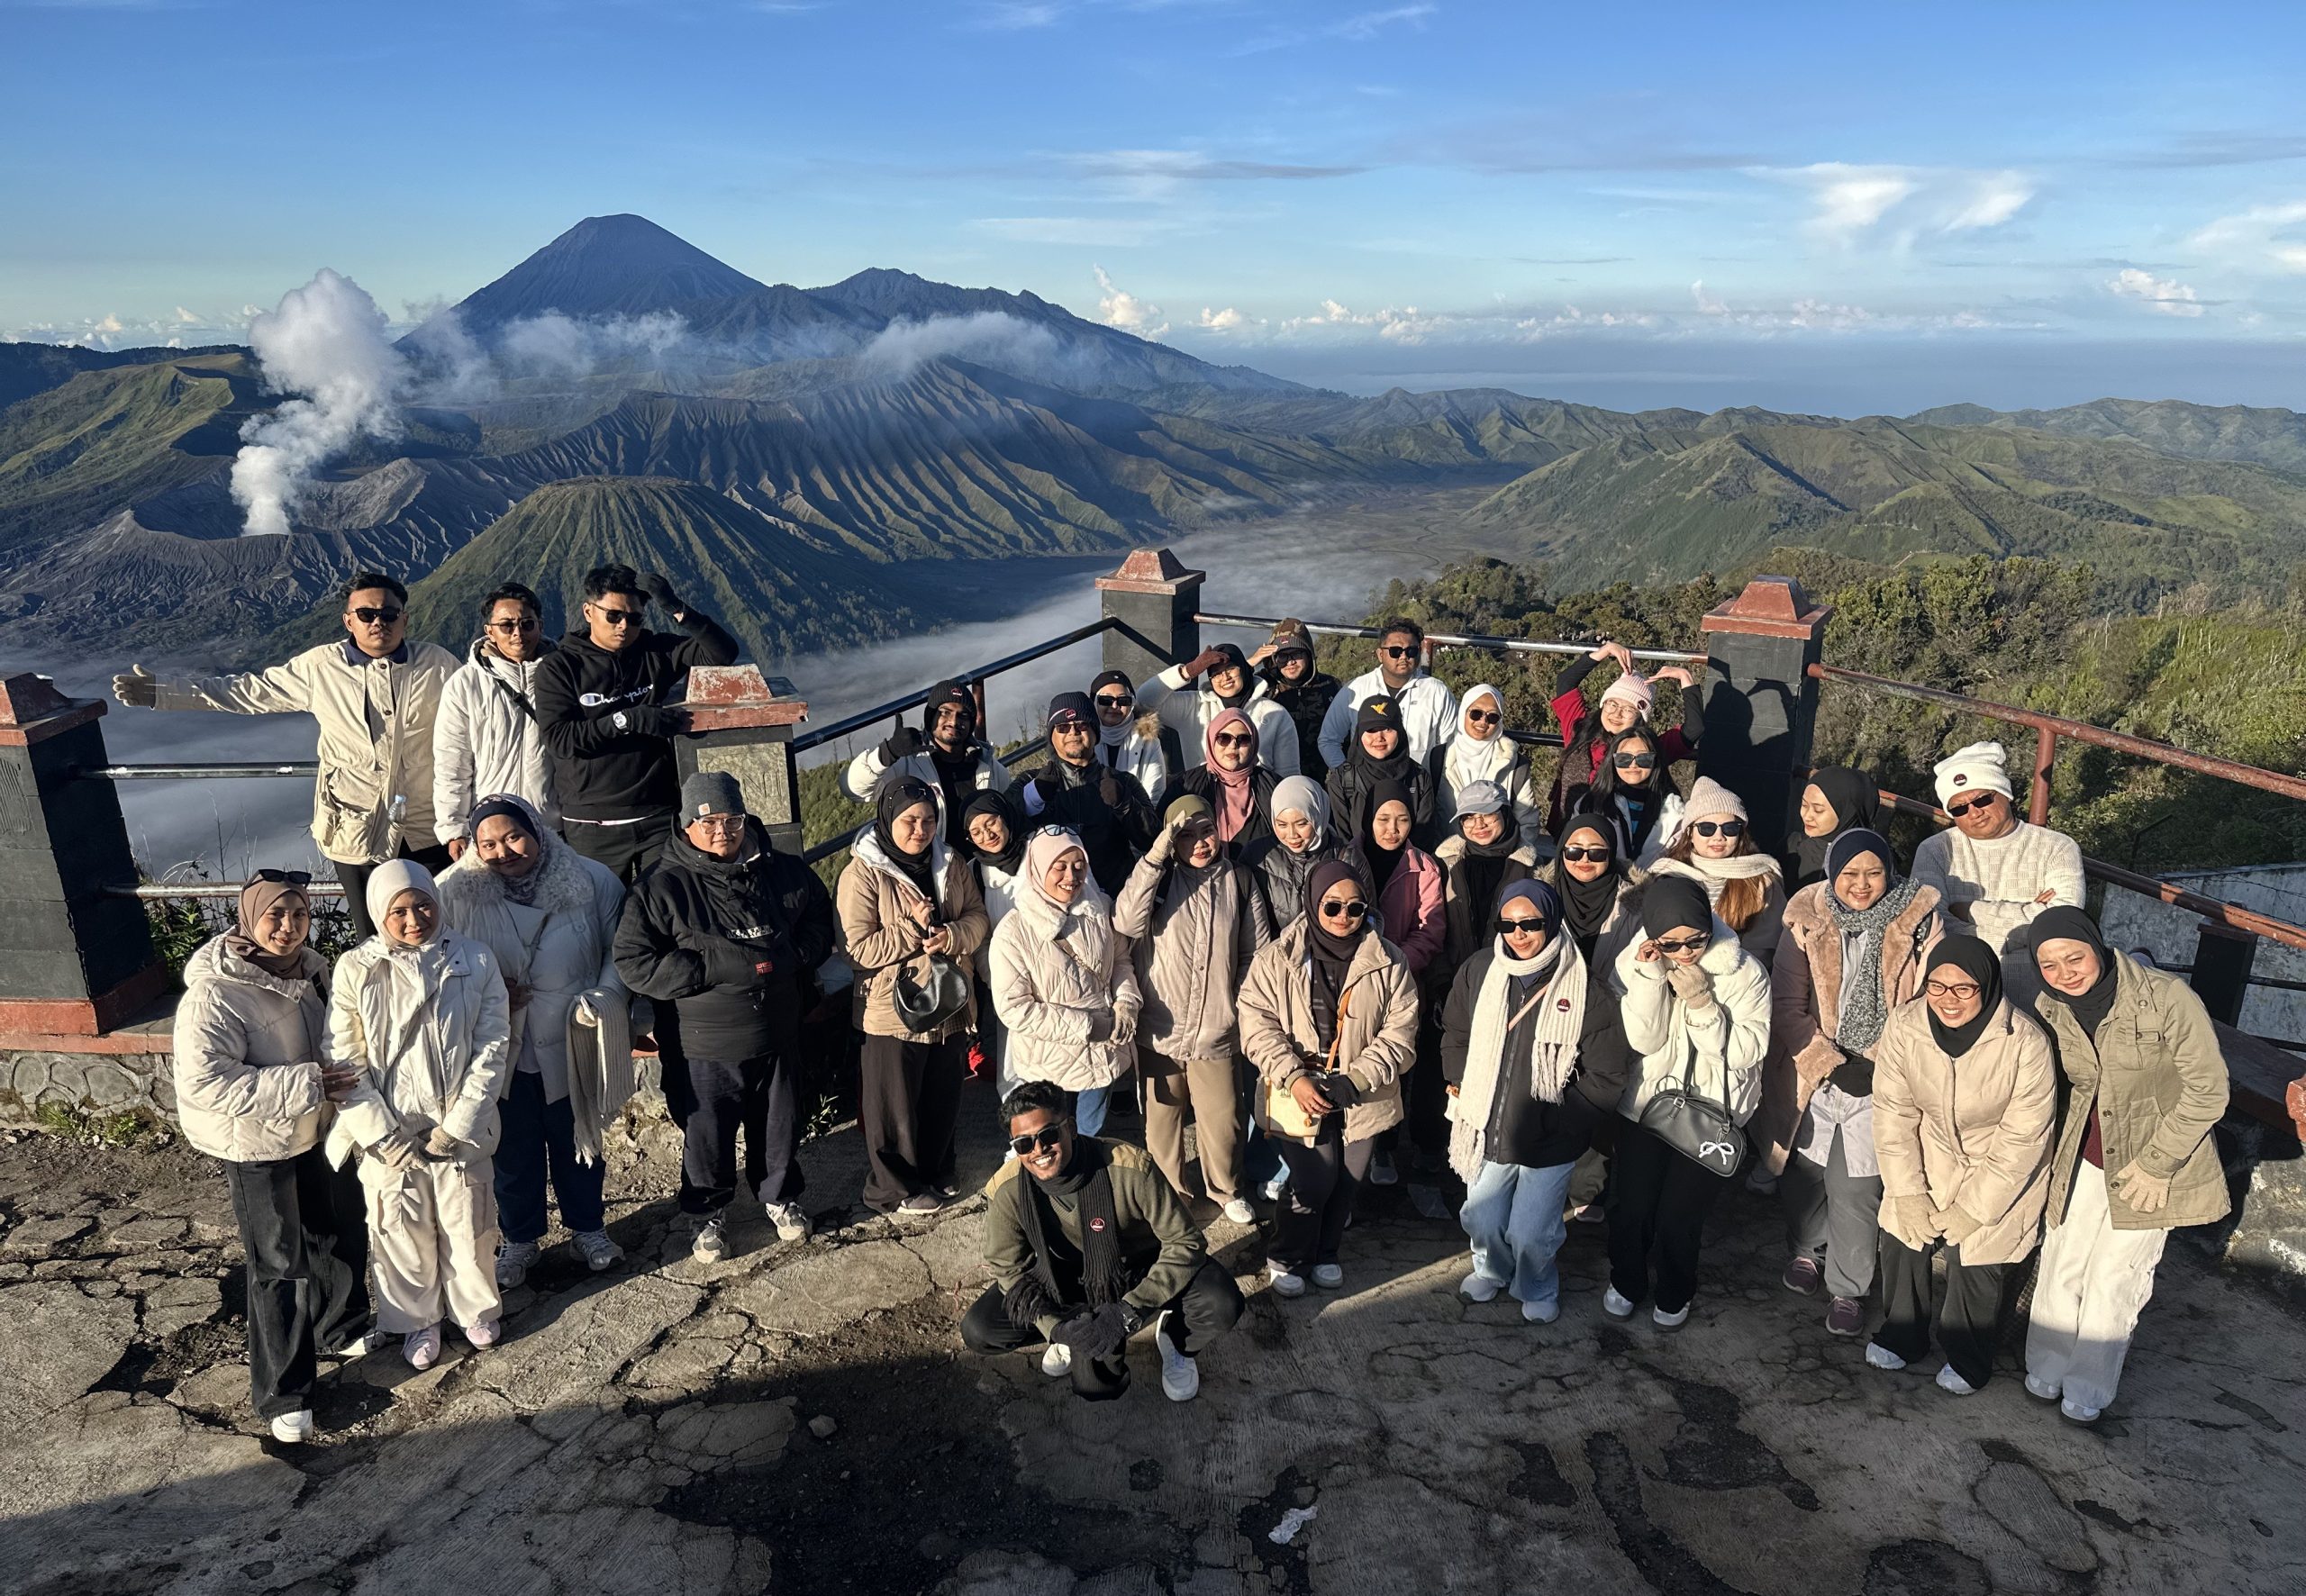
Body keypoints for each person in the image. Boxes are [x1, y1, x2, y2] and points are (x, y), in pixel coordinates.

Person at [110, 571, 457, 945]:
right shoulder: (321, 667)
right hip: (357, 827)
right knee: (372, 939)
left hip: (427, 826)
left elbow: (481, 706)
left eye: (389, 614)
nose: (379, 622)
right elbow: (248, 692)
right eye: (367, 614)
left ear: (405, 618)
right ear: (348, 620)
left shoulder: (438, 664)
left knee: (443, 927)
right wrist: (164, 692)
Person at [173, 873, 374, 1443]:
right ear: (248, 919)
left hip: (315, 1129)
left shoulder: (312, 971)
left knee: (337, 1228)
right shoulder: (214, 993)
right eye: (276, 916)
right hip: (254, 1143)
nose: (289, 927)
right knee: (279, 1261)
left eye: (301, 914)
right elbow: (206, 1084)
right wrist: (308, 1083)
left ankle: (342, 1325)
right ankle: (284, 1392)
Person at [614, 773, 837, 1260]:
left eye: (731, 819)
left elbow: (820, 917)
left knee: (779, 1124)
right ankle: (705, 1216)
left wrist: (796, 956)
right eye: (708, 820)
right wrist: (710, 967)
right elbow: (633, 961)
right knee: (706, 1136)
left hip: (777, 1031)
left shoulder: (780, 870)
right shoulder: (660, 885)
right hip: (702, 1043)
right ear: (686, 824)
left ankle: (779, 1197)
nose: (722, 831)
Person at [2025, 906, 2230, 1424]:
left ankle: (2088, 1387)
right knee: (2063, 1259)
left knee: (2116, 1274)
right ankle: (2046, 1366)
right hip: (2084, 1152)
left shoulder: (2166, 999)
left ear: (2098, 946)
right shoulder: (2051, 1004)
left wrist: (2157, 1164)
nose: (2065, 972)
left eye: (2075, 957)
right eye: (2049, 965)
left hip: (2151, 1160)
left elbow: (2209, 1090)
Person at [436, 795, 631, 1287]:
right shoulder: (454, 891)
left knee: (579, 1139)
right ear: (474, 848)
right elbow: (427, 955)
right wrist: (481, 989)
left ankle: (589, 1228)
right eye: (488, 843)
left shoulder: (590, 879)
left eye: (513, 836)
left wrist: (605, 996)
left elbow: (620, 949)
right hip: (500, 1045)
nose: (503, 851)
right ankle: (520, 1239)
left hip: (572, 1032)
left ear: (538, 831)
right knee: (512, 1149)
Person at [1757, 830, 1943, 1338]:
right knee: (1807, 1172)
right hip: (1814, 1069)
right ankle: (1805, 1249)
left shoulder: (1921, 922)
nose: (1861, 885)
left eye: (1874, 872)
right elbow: (1786, 1003)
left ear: (1891, 871)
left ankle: (1848, 1286)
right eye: (1849, 874)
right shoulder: (1806, 919)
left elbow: (1930, 1001)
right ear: (1831, 873)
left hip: (1884, 1075)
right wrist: (1826, 1059)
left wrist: (1881, 1063)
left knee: (1858, 1184)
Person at [328, 861, 512, 1371]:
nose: (414, 919)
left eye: (423, 905)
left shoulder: (474, 958)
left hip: (459, 1127)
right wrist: (380, 1134)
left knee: (469, 1219)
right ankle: (416, 1320)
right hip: (391, 1128)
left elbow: (493, 1043)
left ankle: (473, 1308)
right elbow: (343, 1056)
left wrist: (459, 1125)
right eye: (399, 910)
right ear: (377, 913)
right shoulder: (356, 968)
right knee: (398, 1226)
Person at [961, 1082, 1245, 1403]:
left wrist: (1128, 1311)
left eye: (1049, 1135)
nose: (1038, 1150)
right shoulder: (1007, 1188)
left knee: (1221, 1302)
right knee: (980, 1329)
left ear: (1070, 1127)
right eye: (1024, 1144)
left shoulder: (1130, 1168)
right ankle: (1072, 1332)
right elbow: (1007, 1267)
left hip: (1134, 1267)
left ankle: (1176, 1340)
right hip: (1059, 1278)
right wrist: (1055, 1327)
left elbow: (1186, 1242)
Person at [1868, 935, 2056, 1395]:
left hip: (1998, 1165)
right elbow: (1893, 1112)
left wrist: (1973, 1207)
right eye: (1936, 986)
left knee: (1978, 1252)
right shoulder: (1906, 1024)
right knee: (1901, 1231)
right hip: (1930, 1150)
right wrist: (1908, 1190)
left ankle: (1968, 1354)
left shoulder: (2024, 1042)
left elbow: (2023, 1138)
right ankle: (1902, 1333)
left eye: (1963, 989)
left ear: (1987, 987)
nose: (1947, 1000)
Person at [1441, 880, 1629, 1323]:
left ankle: (1537, 1283)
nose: (1519, 933)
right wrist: (1458, 1080)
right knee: (1482, 1217)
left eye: (1531, 923)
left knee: (1531, 1231)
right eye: (1508, 923)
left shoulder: (1583, 986)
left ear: (1552, 921)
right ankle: (1490, 1269)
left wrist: (1567, 1123)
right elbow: (1455, 1032)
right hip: (1487, 1123)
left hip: (1550, 1137)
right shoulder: (1480, 970)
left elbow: (1607, 1073)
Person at [1237, 859, 1421, 1296]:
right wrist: (1293, 1075)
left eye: (1355, 909)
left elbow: (1401, 1032)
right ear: (1312, 903)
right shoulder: (1277, 957)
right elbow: (1256, 1022)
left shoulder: (1390, 960)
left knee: (1348, 1180)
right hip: (1298, 1089)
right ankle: (1286, 1253)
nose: (1344, 917)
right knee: (1314, 1178)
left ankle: (1327, 1251)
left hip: (1363, 1092)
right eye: (1332, 907)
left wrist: (1356, 1079)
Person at [1603, 875, 1771, 1328]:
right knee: (1633, 1205)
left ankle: (1676, 1290)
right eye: (1671, 944)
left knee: (1681, 1216)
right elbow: (1644, 1039)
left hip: (1712, 1109)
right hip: (1647, 1103)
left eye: (1695, 940)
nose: (1684, 953)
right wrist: (1647, 978)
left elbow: (1745, 1053)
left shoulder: (1743, 971)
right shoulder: (1638, 960)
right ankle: (1626, 1279)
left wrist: (1700, 1002)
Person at [838, 778, 992, 1215]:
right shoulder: (862, 874)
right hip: (892, 1009)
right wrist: (909, 928)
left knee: (943, 1092)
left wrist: (953, 935)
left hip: (949, 999)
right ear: (888, 819)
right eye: (909, 820)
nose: (919, 830)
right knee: (894, 1104)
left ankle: (937, 1168)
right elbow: (857, 949)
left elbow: (977, 915)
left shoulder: (952, 862)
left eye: (928, 820)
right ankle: (892, 1188)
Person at [534, 563, 740, 883]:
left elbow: (723, 652)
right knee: (602, 921)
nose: (623, 626)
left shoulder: (654, 652)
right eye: (613, 615)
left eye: (634, 618)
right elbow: (560, 739)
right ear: (588, 612)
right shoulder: (559, 667)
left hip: (658, 815)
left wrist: (675, 607)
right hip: (593, 825)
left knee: (667, 913)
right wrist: (627, 720)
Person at [1116, 798, 1265, 1224]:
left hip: (1216, 1026)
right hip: (1160, 1025)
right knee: (1163, 1120)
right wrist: (1155, 856)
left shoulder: (1238, 879)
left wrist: (1236, 1008)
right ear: (1170, 839)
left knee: (1224, 1119)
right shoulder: (1157, 880)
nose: (1199, 842)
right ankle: (1170, 1192)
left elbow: (1255, 951)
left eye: (1206, 831)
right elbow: (1125, 923)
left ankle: (1225, 1189)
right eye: (1185, 834)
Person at [989, 827, 1139, 1139]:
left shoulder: (1100, 908)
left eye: (1078, 866)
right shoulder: (1013, 932)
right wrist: (1085, 1026)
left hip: (1101, 1053)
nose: (1071, 876)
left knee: (1090, 1135)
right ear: (1038, 867)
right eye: (1059, 867)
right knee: (1051, 1141)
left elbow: (1121, 962)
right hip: (1047, 1062)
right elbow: (1014, 1009)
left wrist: (1126, 1001)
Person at [1910, 740, 2084, 998]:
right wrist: (2029, 914)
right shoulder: (1935, 850)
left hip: (2039, 994)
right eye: (1959, 808)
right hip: (1960, 994)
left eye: (1982, 799)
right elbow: (1932, 926)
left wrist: (1967, 909)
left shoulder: (2057, 847)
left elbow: (2061, 923)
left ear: (2005, 793)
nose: (1973, 812)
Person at [1539, 810, 1647, 1223]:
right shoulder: (1541, 894)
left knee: (1597, 1101)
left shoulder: (1636, 904)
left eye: (1596, 852)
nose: (1584, 860)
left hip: (1609, 1020)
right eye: (1574, 851)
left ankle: (1586, 1189)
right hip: (1551, 1016)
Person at [433, 583, 559, 861]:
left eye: (527, 624)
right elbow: (452, 762)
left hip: (554, 829)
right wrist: (454, 828)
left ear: (540, 625)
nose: (518, 633)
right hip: (491, 832)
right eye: (506, 625)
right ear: (489, 630)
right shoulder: (466, 684)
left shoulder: (564, 675)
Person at [1362, 782, 1445, 1191]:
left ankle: (1386, 1146)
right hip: (1353, 985)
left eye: (1402, 820)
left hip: (1400, 985)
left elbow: (1430, 932)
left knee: (1394, 1067)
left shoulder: (1424, 867)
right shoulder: (1348, 857)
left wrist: (1393, 965)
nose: (1392, 828)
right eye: (1383, 819)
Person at [1547, 639, 1702, 829]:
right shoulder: (1579, 728)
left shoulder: (1646, 749)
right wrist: (1604, 651)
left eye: (1629, 709)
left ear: (1640, 718)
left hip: (1617, 839)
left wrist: (1684, 677)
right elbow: (1565, 682)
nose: (1617, 713)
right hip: (1567, 830)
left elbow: (1694, 729)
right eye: (1612, 704)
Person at [1017, 693, 1158, 895]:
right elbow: (1005, 829)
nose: (1073, 732)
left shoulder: (1124, 781)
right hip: (1054, 901)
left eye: (1082, 725)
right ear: (1051, 736)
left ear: (1095, 732)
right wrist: (1033, 798)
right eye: (1063, 727)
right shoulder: (1028, 782)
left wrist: (1125, 804)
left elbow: (1151, 840)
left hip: (1114, 899)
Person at [841, 678, 1012, 845]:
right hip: (931, 868)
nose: (954, 721)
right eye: (945, 712)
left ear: (971, 723)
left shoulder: (987, 766)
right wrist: (887, 753)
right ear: (931, 717)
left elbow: (1010, 811)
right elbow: (854, 790)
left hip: (978, 866)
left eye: (963, 715)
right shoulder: (908, 764)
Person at [1649, 776, 1788, 957]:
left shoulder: (1761, 880)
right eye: (1707, 828)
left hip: (1738, 976)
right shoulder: (1666, 874)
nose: (1719, 836)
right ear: (1690, 832)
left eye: (1730, 828)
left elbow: (1765, 947)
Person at [1432, 782, 1542, 996]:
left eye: (1488, 813)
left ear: (1505, 814)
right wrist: (1440, 981)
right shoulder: (1445, 863)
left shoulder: (1532, 867)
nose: (1479, 824)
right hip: (1455, 983)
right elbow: (1433, 925)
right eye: (1469, 817)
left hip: (1510, 984)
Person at [1137, 642, 1302, 777]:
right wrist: (1189, 670)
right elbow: (1144, 700)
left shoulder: (1275, 714)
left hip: (1257, 802)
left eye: (1230, 669)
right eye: (1216, 673)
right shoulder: (1193, 706)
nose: (1225, 678)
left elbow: (1289, 775)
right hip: (1204, 801)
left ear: (1243, 669)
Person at [1317, 616, 1458, 771]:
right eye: (1395, 651)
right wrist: (1347, 778)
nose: (1404, 656)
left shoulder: (1436, 692)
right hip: (1366, 792)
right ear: (1380, 654)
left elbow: (1451, 746)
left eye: (1411, 651)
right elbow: (1328, 740)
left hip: (1418, 790)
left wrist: (1433, 788)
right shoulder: (1356, 689)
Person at [961, 788, 1030, 1097]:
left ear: (1006, 817)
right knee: (1014, 1062)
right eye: (975, 831)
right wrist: (997, 977)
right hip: (1008, 980)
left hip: (1055, 974)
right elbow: (978, 936)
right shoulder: (974, 873)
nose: (986, 834)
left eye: (990, 823)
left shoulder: (1038, 852)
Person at [1244, 775, 1363, 942]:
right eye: (1282, 825)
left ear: (1318, 815)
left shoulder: (1347, 857)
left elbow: (1364, 918)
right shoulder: (1257, 855)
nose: (1292, 835)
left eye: (1301, 824)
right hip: (1274, 961)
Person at [1429, 684, 1544, 852]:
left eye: (1492, 717)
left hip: (1500, 859)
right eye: (1475, 713)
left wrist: (1516, 860)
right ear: (1463, 713)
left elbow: (1527, 819)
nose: (1483, 722)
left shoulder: (1515, 763)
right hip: (1448, 856)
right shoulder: (1439, 757)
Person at [1325, 695, 1438, 846]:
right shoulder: (1342, 780)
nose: (1379, 737)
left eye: (1387, 728)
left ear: (1400, 731)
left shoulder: (1418, 778)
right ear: (1359, 734)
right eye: (1371, 730)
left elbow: (1425, 835)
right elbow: (1341, 836)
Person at [1160, 709, 1279, 848]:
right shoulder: (1184, 785)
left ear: (1254, 744)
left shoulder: (1274, 786)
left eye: (1243, 739)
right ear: (1211, 741)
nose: (1233, 746)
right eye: (1224, 738)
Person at [1568, 728, 1680, 863]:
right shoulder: (1590, 804)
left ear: (1656, 760)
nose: (1633, 765)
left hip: (1656, 883)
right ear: (1612, 760)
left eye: (1643, 758)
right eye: (1623, 758)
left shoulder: (1675, 810)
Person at [1251, 618, 1341, 782]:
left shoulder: (1330, 686)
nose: (1290, 662)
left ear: (1309, 654)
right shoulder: (1261, 687)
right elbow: (1229, 693)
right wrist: (1249, 663)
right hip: (1273, 778)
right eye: (1282, 657)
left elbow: (1344, 732)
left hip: (1323, 778)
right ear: (1273, 659)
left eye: (1297, 654)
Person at [1786, 766, 1882, 889]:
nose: (1807, 816)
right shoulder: (1792, 845)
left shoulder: (1873, 860)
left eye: (1818, 810)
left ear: (1847, 813)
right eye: (1804, 805)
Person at [1088, 669, 1169, 801]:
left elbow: (1155, 797)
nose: (1114, 706)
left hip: (1136, 817)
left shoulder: (1148, 742)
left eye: (1123, 700)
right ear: (1094, 703)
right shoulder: (1082, 739)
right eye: (1106, 700)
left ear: (1131, 704)